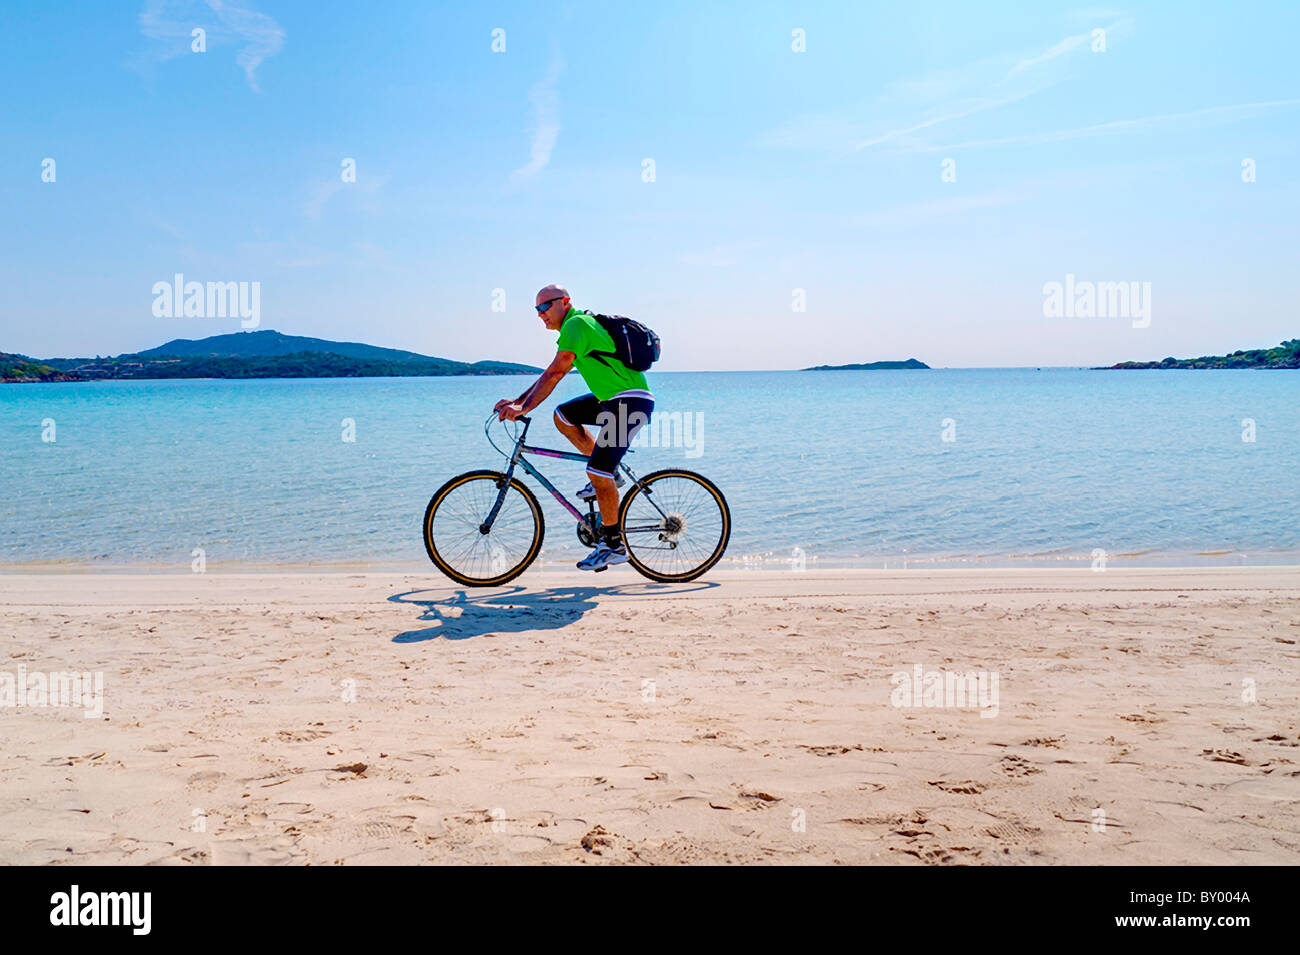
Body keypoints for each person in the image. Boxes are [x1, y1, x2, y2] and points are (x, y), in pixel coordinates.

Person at [494, 284, 654, 571]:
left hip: (630, 403)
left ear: (565, 302)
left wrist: (525, 408)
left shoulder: (577, 324)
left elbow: (557, 371)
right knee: (564, 415)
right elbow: (552, 371)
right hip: (613, 401)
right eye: (536, 309)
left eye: (545, 307)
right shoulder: (576, 327)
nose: (540, 314)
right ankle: (610, 475)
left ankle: (613, 546)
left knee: (596, 472)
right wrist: (518, 401)